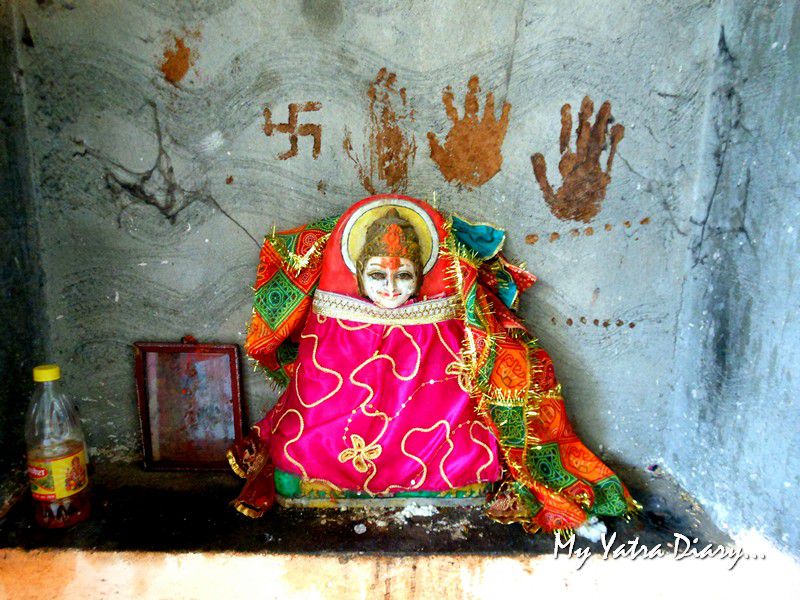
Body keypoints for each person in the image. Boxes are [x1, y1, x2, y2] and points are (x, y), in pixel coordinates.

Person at [228, 194, 638, 535]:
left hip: (431, 434)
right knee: (299, 448)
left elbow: (452, 390)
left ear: (422, 275)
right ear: (356, 273)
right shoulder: (334, 316)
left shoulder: (440, 316)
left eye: (403, 276)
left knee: (474, 453)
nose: (390, 289)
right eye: (377, 276)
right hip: (348, 430)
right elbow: (318, 395)